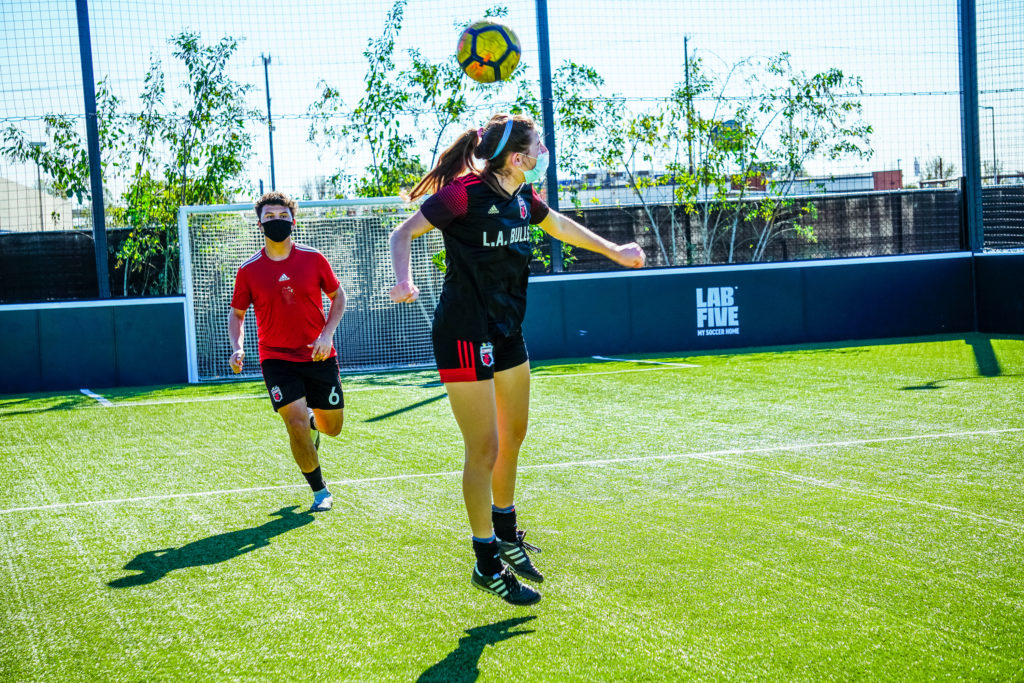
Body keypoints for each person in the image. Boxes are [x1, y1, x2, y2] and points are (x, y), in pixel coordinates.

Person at [388, 113, 646, 605]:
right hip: (464, 332)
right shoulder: (463, 194)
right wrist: (404, 279)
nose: (543, 152)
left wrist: (614, 250)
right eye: (538, 145)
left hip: (507, 331)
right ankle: (485, 561)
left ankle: (505, 533)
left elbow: (562, 227)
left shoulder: (524, 198)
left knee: (515, 435)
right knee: (483, 448)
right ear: (516, 156)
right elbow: (403, 234)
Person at [228, 191, 347, 512]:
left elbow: (339, 297)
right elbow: (237, 314)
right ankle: (320, 491)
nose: (276, 222)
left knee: (332, 428)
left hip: (319, 355)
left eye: (282, 217)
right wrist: (237, 348)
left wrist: (327, 335)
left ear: (293, 221)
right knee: (293, 423)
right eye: (269, 217)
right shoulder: (249, 270)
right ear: (259, 224)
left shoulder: (314, 259)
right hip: (276, 359)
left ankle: (313, 420)